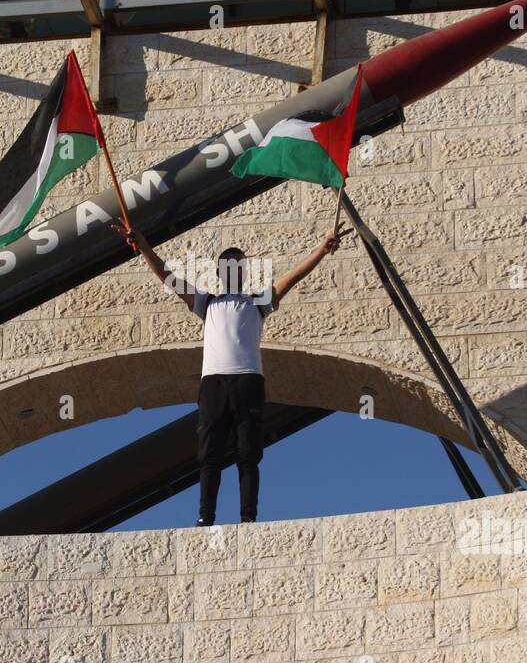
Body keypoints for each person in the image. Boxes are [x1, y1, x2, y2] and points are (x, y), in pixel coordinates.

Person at [112, 220, 349, 525]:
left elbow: (293, 277)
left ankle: (248, 517)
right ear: (220, 274)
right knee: (208, 455)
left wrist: (322, 249)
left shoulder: (257, 301)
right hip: (213, 383)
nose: (235, 271)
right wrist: (143, 246)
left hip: (248, 380)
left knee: (248, 454)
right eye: (229, 266)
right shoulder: (206, 302)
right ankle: (205, 518)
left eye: (240, 267)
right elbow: (168, 277)